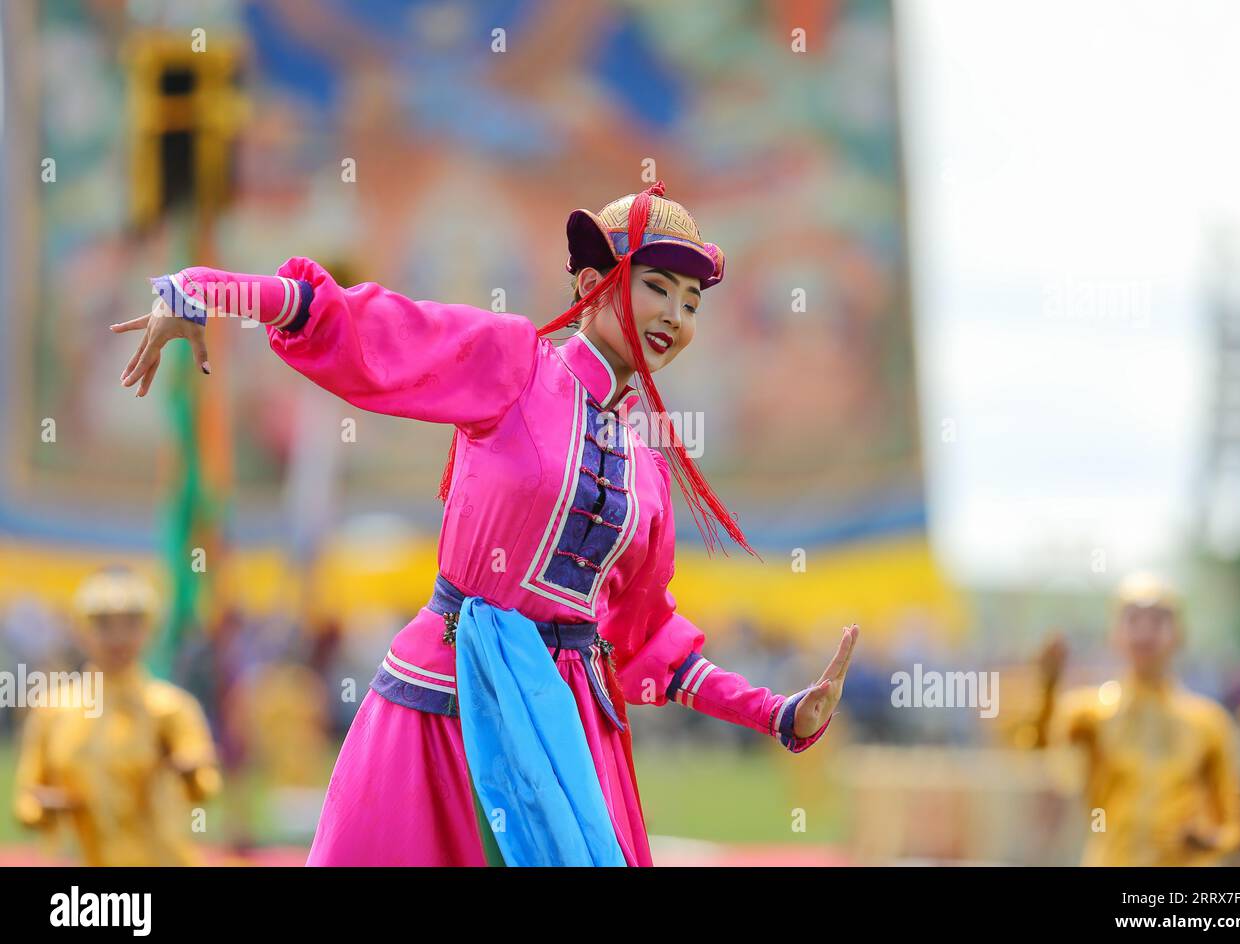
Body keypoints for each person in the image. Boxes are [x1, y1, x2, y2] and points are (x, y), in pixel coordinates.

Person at [114, 181, 860, 866]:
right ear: (591, 285)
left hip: (564, 732)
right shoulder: (515, 366)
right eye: (658, 287)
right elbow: (375, 329)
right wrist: (206, 289)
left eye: (692, 302)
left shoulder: (646, 469)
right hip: (448, 701)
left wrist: (778, 713)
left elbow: (647, 641)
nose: (675, 315)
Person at [1030, 572, 1240, 866]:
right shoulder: (1090, 714)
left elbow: (1231, 825)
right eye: (1133, 619)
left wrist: (1206, 840)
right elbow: (1039, 749)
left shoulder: (1208, 722)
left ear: (1180, 634)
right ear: (1114, 634)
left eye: (1157, 620)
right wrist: (1047, 687)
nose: (1144, 632)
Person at [12, 568, 222, 866]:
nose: (118, 637)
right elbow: (25, 801)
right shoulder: (53, 710)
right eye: (104, 624)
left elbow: (206, 789)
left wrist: (191, 772)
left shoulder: (170, 707)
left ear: (148, 630)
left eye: (131, 624)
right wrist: (45, 807)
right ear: (81, 630)